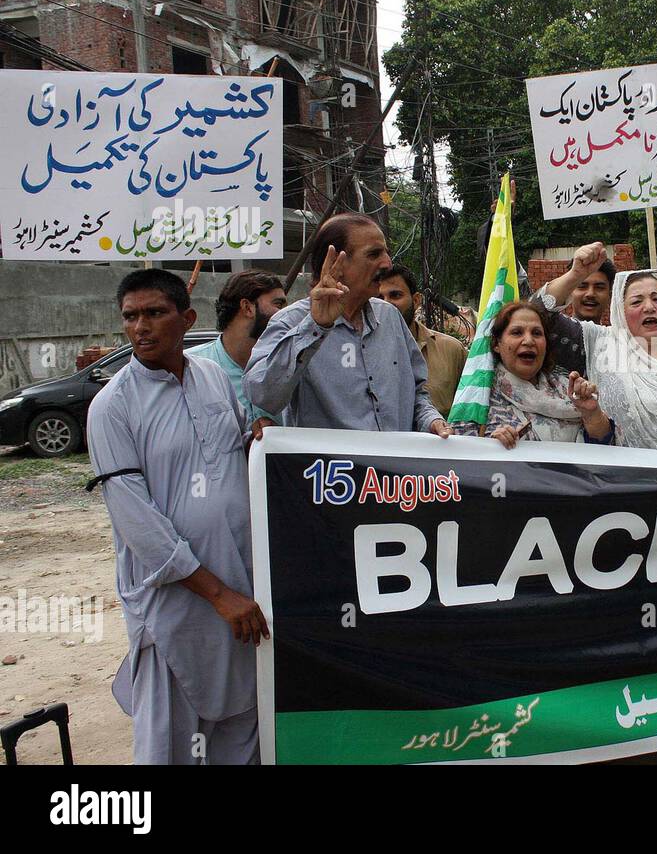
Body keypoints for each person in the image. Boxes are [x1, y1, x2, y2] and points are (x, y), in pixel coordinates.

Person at [87, 269, 266, 764]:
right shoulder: (111, 406)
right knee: (170, 739)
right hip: (176, 604)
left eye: (154, 313)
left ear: (186, 318)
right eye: (130, 317)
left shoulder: (212, 377)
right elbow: (137, 523)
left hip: (240, 587)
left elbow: (235, 457)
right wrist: (218, 595)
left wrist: (265, 445)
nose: (140, 327)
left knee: (242, 722)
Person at [245, 213, 451, 436]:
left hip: (393, 469)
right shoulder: (291, 321)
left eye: (386, 253)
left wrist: (431, 420)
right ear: (335, 263)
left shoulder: (390, 317)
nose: (387, 263)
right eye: (374, 254)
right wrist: (315, 326)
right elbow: (262, 395)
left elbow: (417, 393)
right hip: (332, 470)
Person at [534, 243, 657, 469]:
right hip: (623, 488)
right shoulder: (599, 343)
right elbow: (537, 315)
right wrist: (576, 274)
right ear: (620, 311)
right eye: (636, 301)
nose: (649, 307)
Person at [453, 300, 614, 447]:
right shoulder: (478, 397)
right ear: (497, 344)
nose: (529, 341)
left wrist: (591, 413)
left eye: (537, 333)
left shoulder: (569, 390)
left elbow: (604, 448)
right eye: (517, 332)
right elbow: (462, 458)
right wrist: (491, 447)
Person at [189, 269, 286, 439]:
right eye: (279, 304)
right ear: (247, 307)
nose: (286, 314)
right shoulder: (191, 368)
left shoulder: (290, 364)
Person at [375, 263, 468, 417]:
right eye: (379, 298)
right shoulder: (358, 351)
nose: (386, 304)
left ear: (416, 300)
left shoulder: (452, 350)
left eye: (395, 295)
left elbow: (472, 410)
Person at [568, 259, 616, 324]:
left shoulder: (617, 334)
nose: (590, 294)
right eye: (582, 286)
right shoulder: (552, 331)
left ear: (610, 295)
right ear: (570, 292)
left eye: (599, 287)